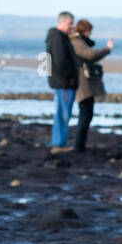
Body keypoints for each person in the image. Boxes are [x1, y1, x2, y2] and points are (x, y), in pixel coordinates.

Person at [69, 19, 114, 153]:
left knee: (86, 114)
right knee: (86, 114)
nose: (90, 34)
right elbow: (91, 55)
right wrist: (107, 49)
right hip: (83, 84)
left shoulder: (77, 41)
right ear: (86, 31)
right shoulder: (77, 42)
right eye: (89, 32)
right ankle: (79, 147)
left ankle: (80, 146)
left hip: (84, 84)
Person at [45, 11, 79, 152]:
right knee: (63, 114)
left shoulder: (61, 37)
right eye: (69, 23)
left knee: (62, 112)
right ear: (61, 22)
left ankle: (59, 143)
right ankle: (59, 144)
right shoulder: (58, 39)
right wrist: (70, 77)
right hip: (64, 83)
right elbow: (61, 61)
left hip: (62, 82)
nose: (72, 26)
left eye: (72, 23)